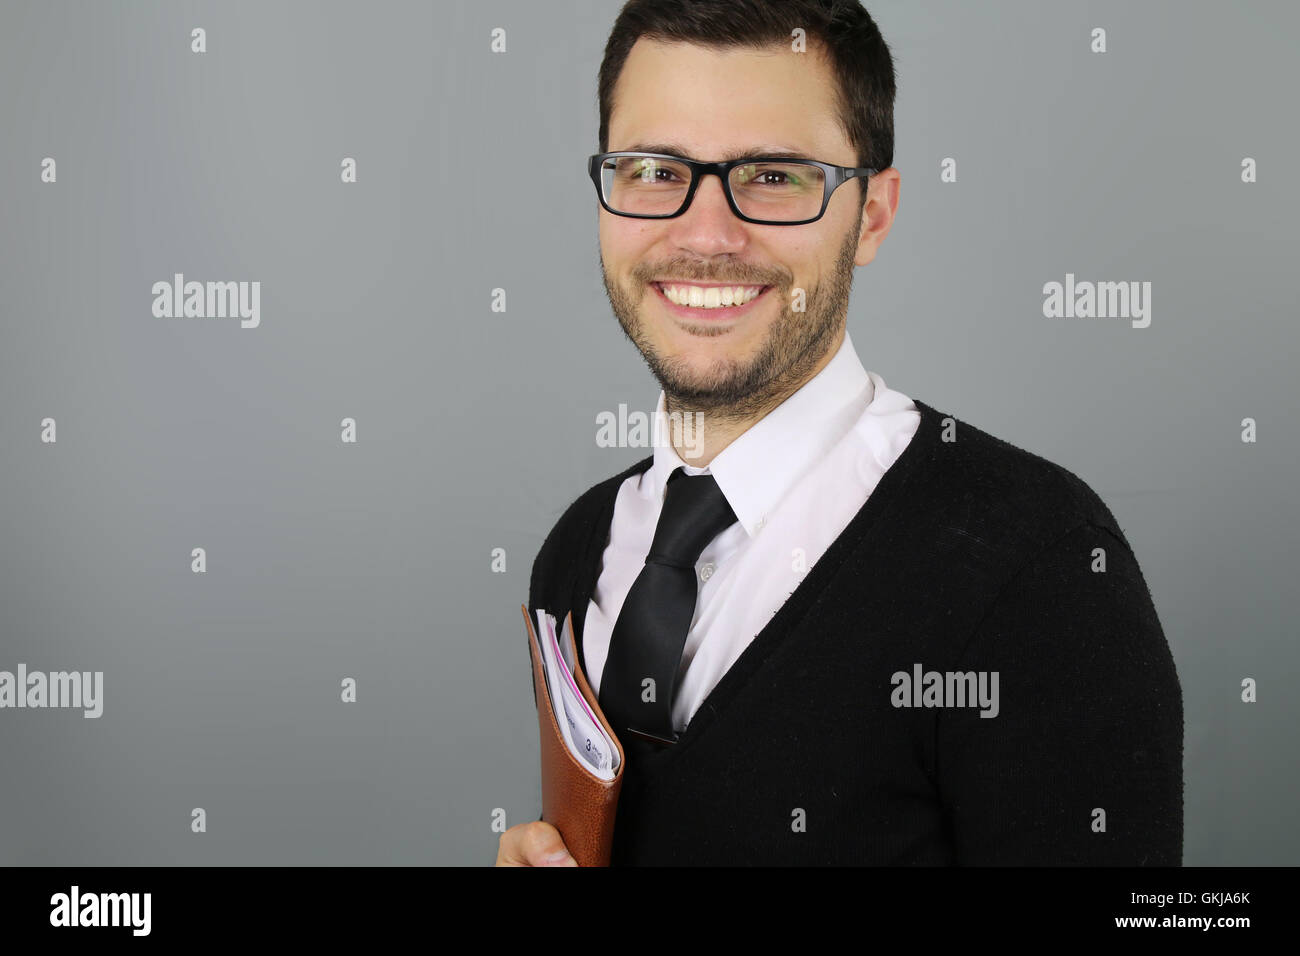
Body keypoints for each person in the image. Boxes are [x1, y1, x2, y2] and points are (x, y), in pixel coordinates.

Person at [497, 0, 1182, 866]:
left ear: (875, 215)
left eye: (776, 175)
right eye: (655, 169)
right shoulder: (577, 549)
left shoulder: (1038, 568)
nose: (705, 235)